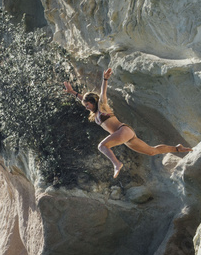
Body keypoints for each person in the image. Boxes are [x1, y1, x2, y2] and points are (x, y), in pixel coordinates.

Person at [64, 68, 192, 178]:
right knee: (151, 151)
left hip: (123, 130)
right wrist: (72, 92)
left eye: (87, 104)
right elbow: (82, 98)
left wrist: (105, 79)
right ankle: (177, 148)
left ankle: (116, 164)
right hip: (126, 136)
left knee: (102, 146)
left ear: (93, 101)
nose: (86, 107)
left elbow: (103, 94)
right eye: (85, 105)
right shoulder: (95, 112)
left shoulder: (102, 107)